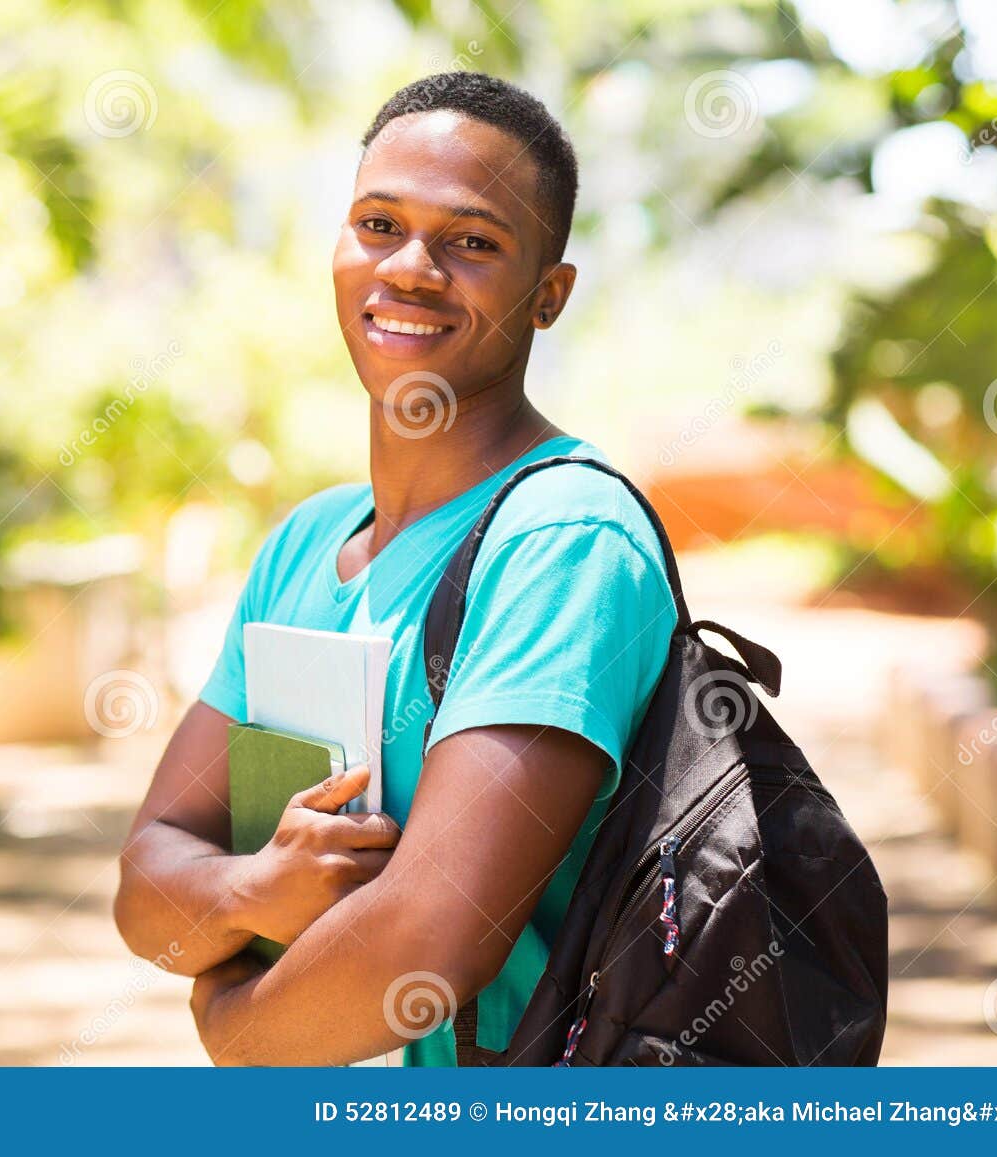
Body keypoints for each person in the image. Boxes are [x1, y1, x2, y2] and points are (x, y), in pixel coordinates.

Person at [113, 71, 677, 1066]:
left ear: (548, 295)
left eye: (472, 241)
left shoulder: (563, 539)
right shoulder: (306, 540)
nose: (410, 267)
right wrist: (256, 888)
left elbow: (422, 945)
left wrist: (235, 1026)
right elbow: (146, 877)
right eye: (378, 222)